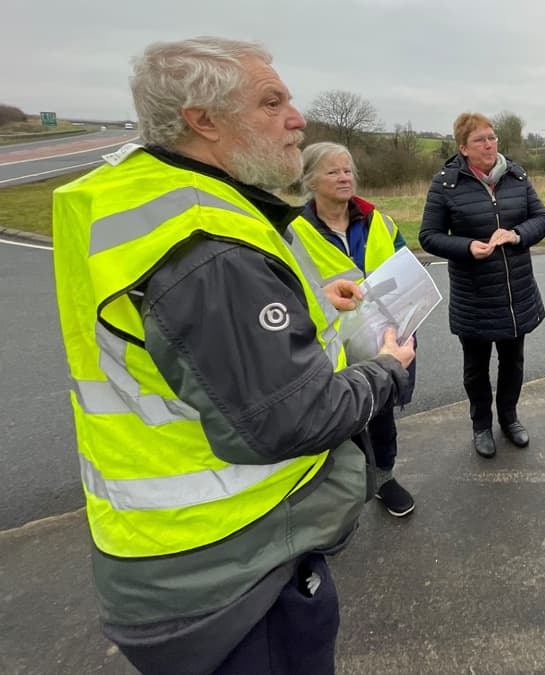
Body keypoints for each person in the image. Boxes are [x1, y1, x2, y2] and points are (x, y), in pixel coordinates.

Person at [52, 37, 414, 675]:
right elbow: (292, 415)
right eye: (272, 102)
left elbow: (185, 343)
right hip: (229, 572)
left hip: (180, 554)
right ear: (202, 119)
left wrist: (313, 303)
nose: (296, 119)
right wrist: (385, 370)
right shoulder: (204, 240)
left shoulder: (145, 197)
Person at [292, 142, 418, 518]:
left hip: (382, 342)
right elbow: (286, 293)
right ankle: (340, 491)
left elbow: (405, 266)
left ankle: (383, 479)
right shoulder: (290, 233)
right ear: (310, 180)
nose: (345, 177)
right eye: (333, 171)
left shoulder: (380, 221)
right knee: (333, 425)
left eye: (348, 170)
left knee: (382, 418)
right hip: (328, 350)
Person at [418, 113, 545, 458]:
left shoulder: (516, 175)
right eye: (480, 140)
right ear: (463, 147)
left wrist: (517, 234)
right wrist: (465, 247)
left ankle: (509, 419)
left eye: (492, 138)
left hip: (515, 294)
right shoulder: (445, 184)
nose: (489, 144)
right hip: (473, 296)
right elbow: (428, 236)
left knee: (513, 364)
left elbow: (543, 219)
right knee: (476, 369)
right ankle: (481, 425)